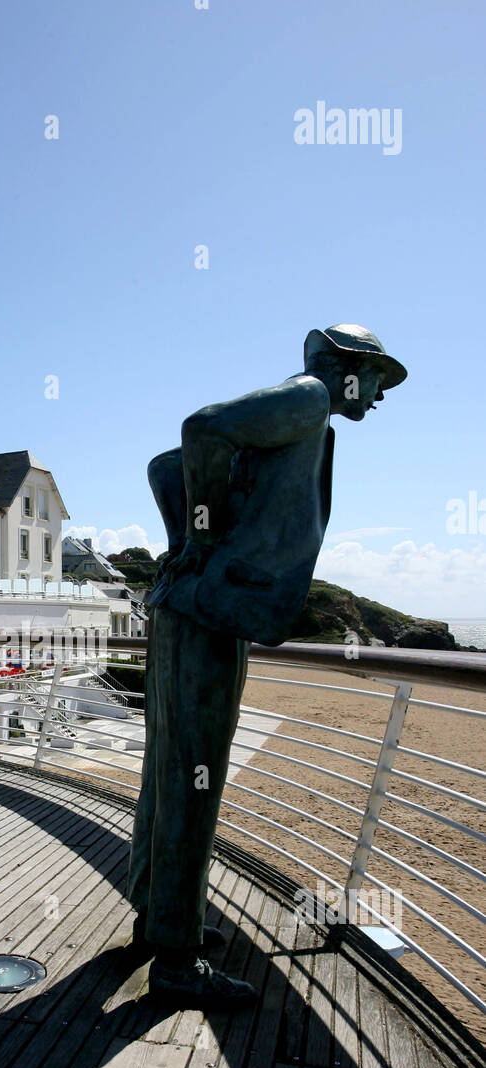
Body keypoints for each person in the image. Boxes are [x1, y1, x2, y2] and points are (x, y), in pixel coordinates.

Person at [127, 324, 407, 1008]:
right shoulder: (309, 399)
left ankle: (161, 921)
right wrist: (201, 539)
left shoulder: (303, 415)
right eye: (377, 380)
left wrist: (195, 539)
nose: (378, 396)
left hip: (185, 605)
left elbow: (166, 468)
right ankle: (176, 962)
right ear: (349, 369)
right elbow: (201, 430)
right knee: (194, 782)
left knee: (167, 770)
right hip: (210, 611)